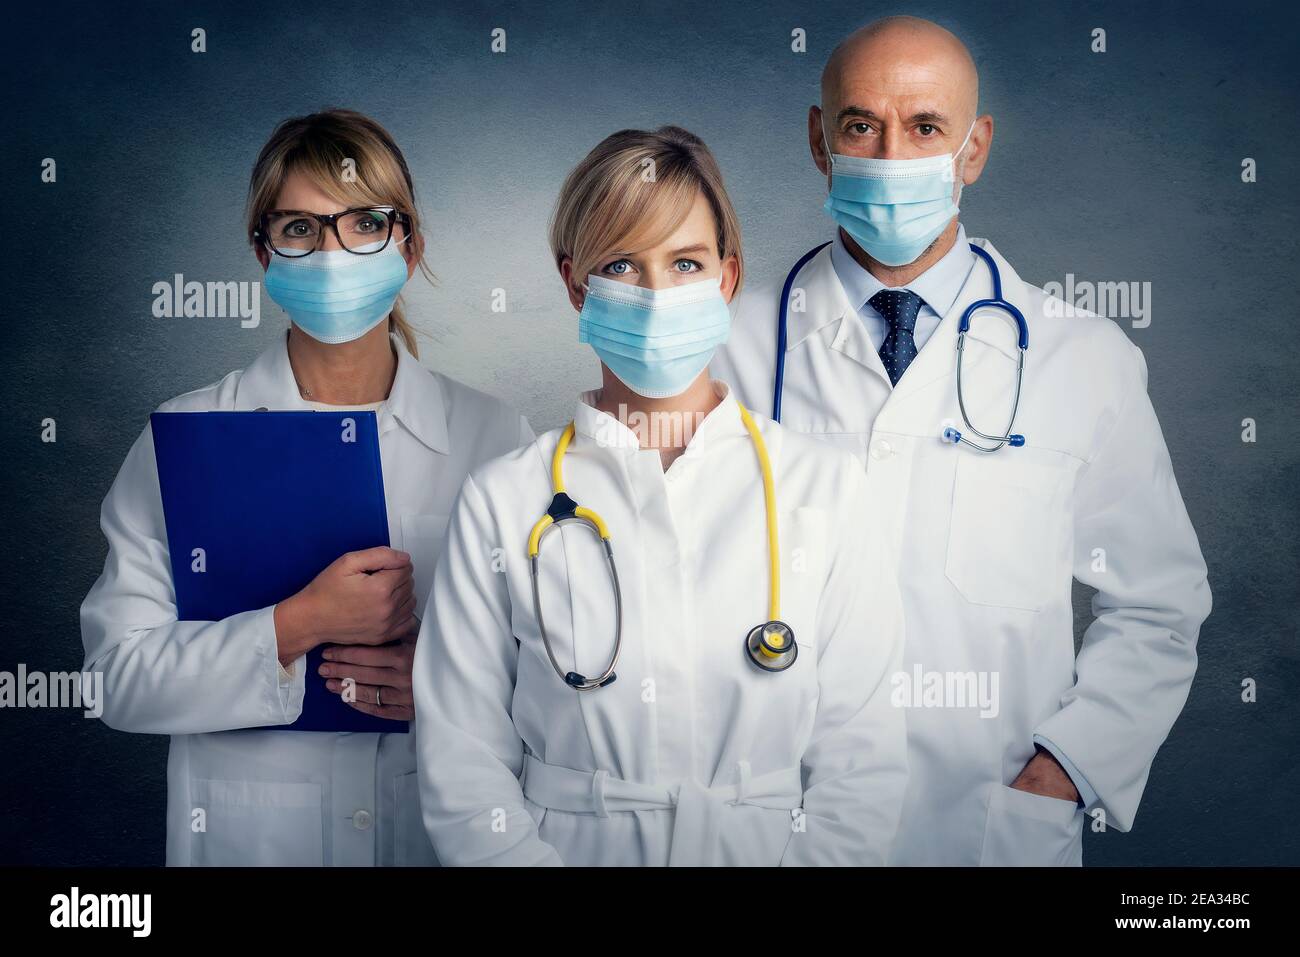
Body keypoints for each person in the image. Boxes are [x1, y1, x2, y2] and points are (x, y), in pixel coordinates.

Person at [712, 17, 1212, 865]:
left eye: (926, 128)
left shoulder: (1082, 357)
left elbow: (1159, 607)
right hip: (773, 825)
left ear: (973, 149)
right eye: (860, 124)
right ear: (817, 138)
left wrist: (1062, 774)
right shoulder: (727, 349)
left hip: (988, 832)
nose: (891, 154)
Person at [413, 126, 906, 866]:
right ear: (576, 284)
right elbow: (461, 764)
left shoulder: (823, 487)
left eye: (685, 263)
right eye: (621, 264)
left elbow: (862, 770)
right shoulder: (503, 500)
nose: (655, 295)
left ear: (727, 279)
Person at [80, 109, 533, 866]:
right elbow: (115, 682)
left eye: (365, 223)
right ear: (263, 252)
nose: (333, 253)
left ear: (410, 245)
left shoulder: (494, 438)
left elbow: (562, 686)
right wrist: (297, 622)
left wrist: (443, 681)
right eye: (300, 229)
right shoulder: (186, 437)